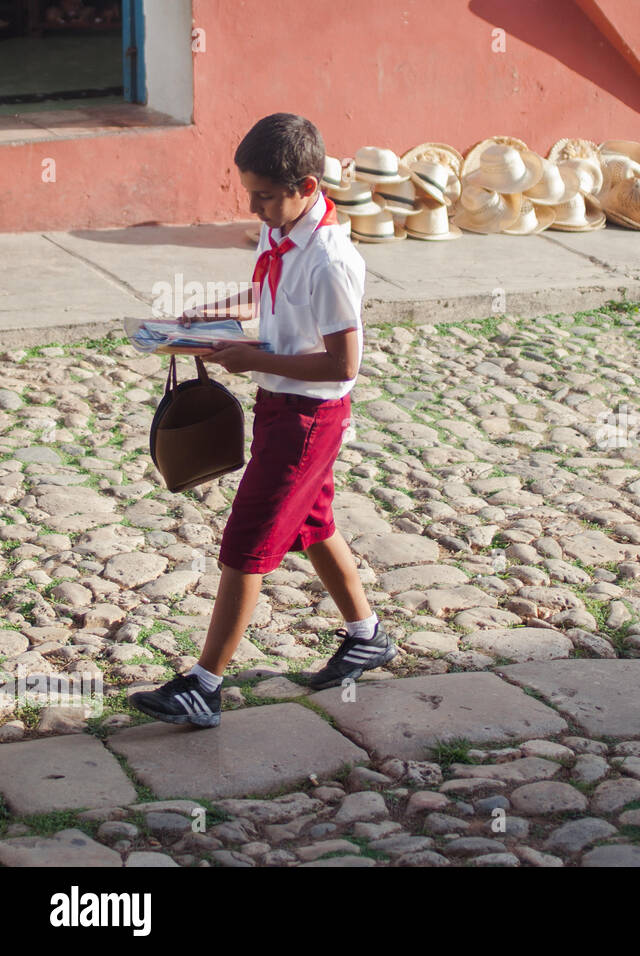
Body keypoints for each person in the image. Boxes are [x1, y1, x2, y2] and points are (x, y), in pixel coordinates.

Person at [128, 113, 395, 728]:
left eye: (265, 196)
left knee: (246, 542)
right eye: (249, 192)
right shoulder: (284, 230)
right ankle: (367, 635)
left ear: (305, 184)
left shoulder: (329, 260)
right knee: (316, 522)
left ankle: (203, 685)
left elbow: (342, 362)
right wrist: (203, 316)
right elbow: (264, 294)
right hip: (279, 406)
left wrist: (251, 358)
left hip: (308, 417)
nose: (254, 206)